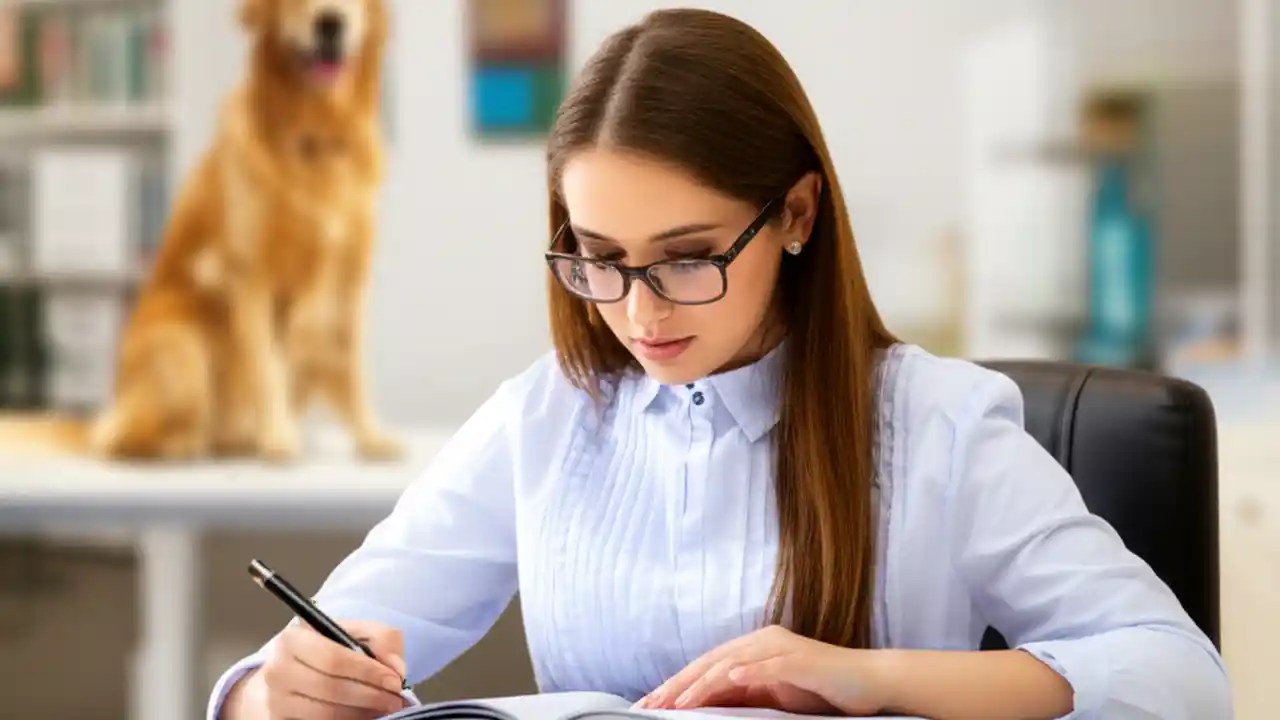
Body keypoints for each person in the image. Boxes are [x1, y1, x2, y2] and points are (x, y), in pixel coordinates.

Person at [210, 8, 1232, 720]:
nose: (638, 312)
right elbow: (326, 644)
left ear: (793, 215)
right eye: (597, 262)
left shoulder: (938, 424)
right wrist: (272, 693)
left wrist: (868, 679)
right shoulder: (547, 418)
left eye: (687, 258)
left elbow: (1178, 682)